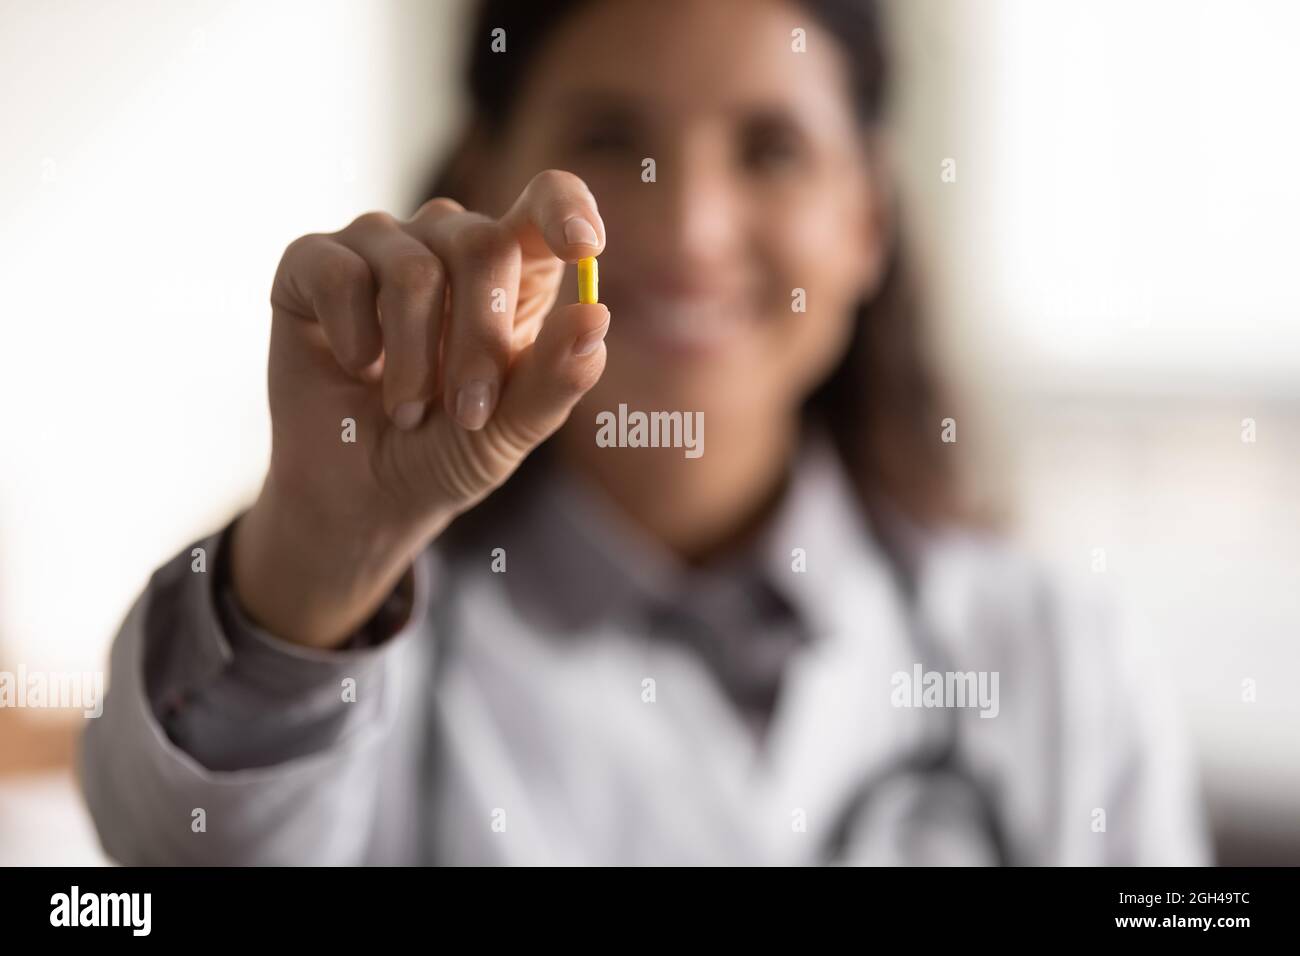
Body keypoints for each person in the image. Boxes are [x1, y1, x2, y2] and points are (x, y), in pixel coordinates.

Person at [79, 0, 1209, 865]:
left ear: (866, 217)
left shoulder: (1056, 651)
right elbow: (170, 837)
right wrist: (323, 554)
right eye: (611, 140)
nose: (690, 226)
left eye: (770, 148)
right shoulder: (350, 641)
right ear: (482, 182)